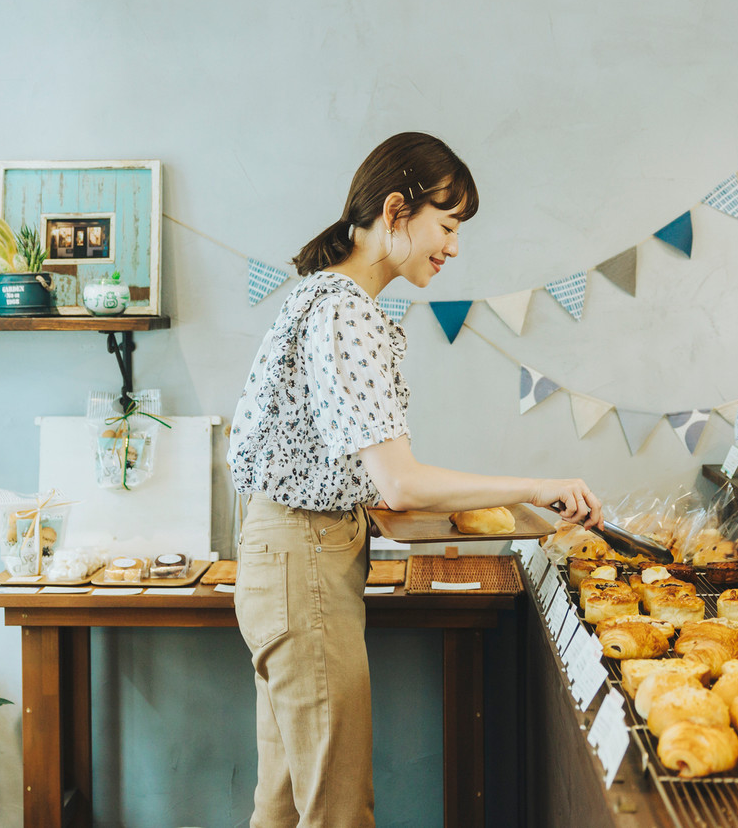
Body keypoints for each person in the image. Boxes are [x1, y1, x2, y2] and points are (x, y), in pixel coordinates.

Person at [227, 131, 602, 827]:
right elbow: (399, 483)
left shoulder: (322, 298)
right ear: (395, 211)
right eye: (447, 225)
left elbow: (367, 480)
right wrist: (532, 486)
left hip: (286, 559)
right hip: (304, 566)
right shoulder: (346, 311)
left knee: (284, 804)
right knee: (337, 808)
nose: (453, 247)